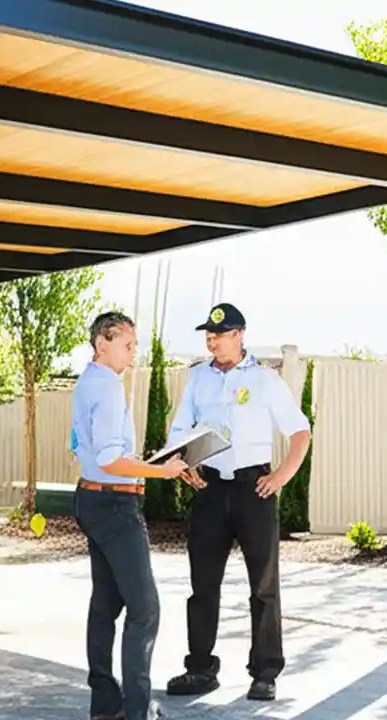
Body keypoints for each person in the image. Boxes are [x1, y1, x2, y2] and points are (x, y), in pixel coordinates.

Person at [163, 303, 311, 702]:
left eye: (221, 333)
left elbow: (300, 432)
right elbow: (180, 430)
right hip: (209, 491)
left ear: (240, 334)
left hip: (253, 490)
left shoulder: (264, 379)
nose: (212, 340)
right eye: (208, 334)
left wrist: (280, 477)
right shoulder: (198, 379)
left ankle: (264, 671)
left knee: (263, 587)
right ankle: (199, 669)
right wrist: (183, 467)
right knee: (202, 584)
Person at [70, 311, 189, 720]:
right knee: (144, 608)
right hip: (116, 507)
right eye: (127, 344)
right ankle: (137, 710)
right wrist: (162, 471)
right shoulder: (107, 387)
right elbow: (110, 457)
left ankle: (105, 705)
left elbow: (86, 450)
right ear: (102, 342)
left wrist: (143, 464)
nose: (133, 354)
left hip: (91, 499)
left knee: (105, 604)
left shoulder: (86, 383)